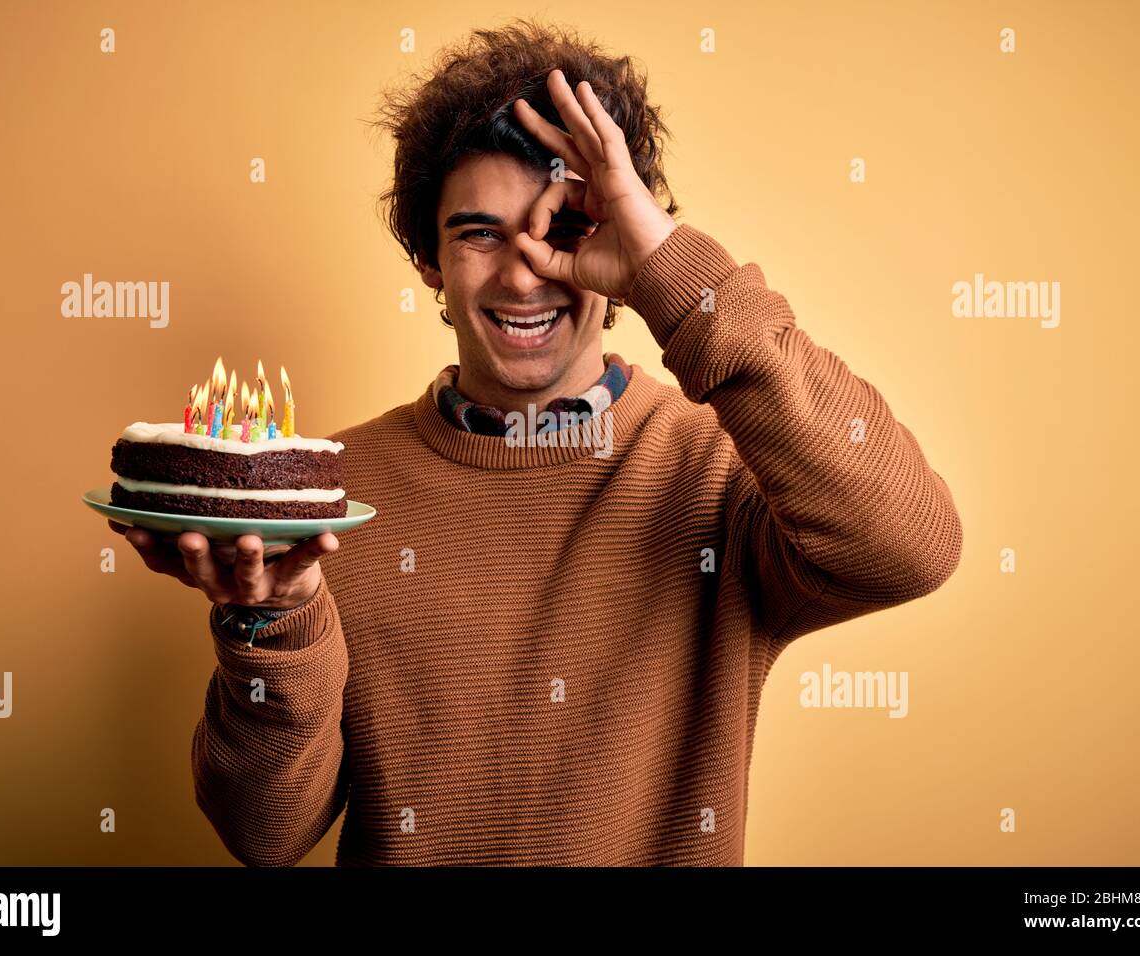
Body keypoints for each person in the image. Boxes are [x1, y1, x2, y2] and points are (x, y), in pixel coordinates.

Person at [109, 19, 962, 866]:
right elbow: (266, 836)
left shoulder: (719, 472)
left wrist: (667, 266)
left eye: (562, 230)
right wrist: (273, 615)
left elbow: (914, 546)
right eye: (478, 233)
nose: (523, 275)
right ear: (429, 263)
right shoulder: (326, 500)